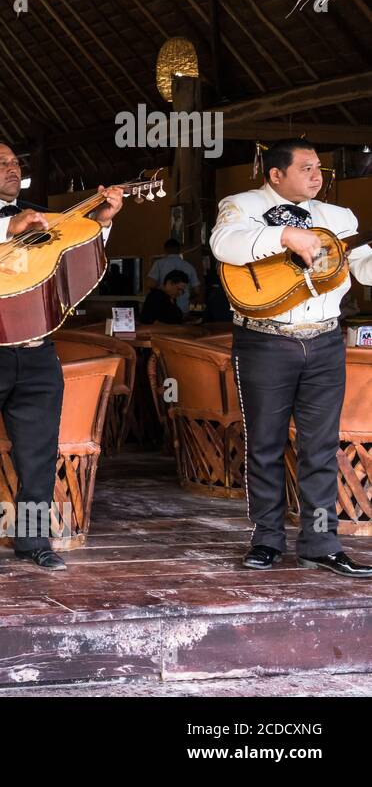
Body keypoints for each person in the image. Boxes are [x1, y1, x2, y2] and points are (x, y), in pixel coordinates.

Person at [0, 140, 125, 572]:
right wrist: (8, 228)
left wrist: (101, 225)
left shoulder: (42, 215)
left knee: (38, 454)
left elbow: (72, 257)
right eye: (0, 164)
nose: (12, 169)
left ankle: (32, 538)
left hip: (37, 350)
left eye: (16, 163)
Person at [210, 138, 372, 578]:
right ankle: (266, 539)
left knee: (320, 448)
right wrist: (285, 235)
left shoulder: (339, 218)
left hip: (324, 342)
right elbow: (225, 245)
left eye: (320, 167)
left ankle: (321, 542)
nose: (317, 175)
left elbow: (362, 268)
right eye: (306, 168)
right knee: (264, 443)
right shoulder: (240, 205)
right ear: (276, 174)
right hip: (265, 341)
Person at [148, 238, 199, 315]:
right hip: (183, 308)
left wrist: (162, 292)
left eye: (180, 290)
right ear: (179, 250)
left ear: (165, 249)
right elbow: (196, 290)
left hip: (163, 309)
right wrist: (185, 296)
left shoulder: (159, 264)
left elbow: (151, 284)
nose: (177, 292)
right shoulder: (189, 266)